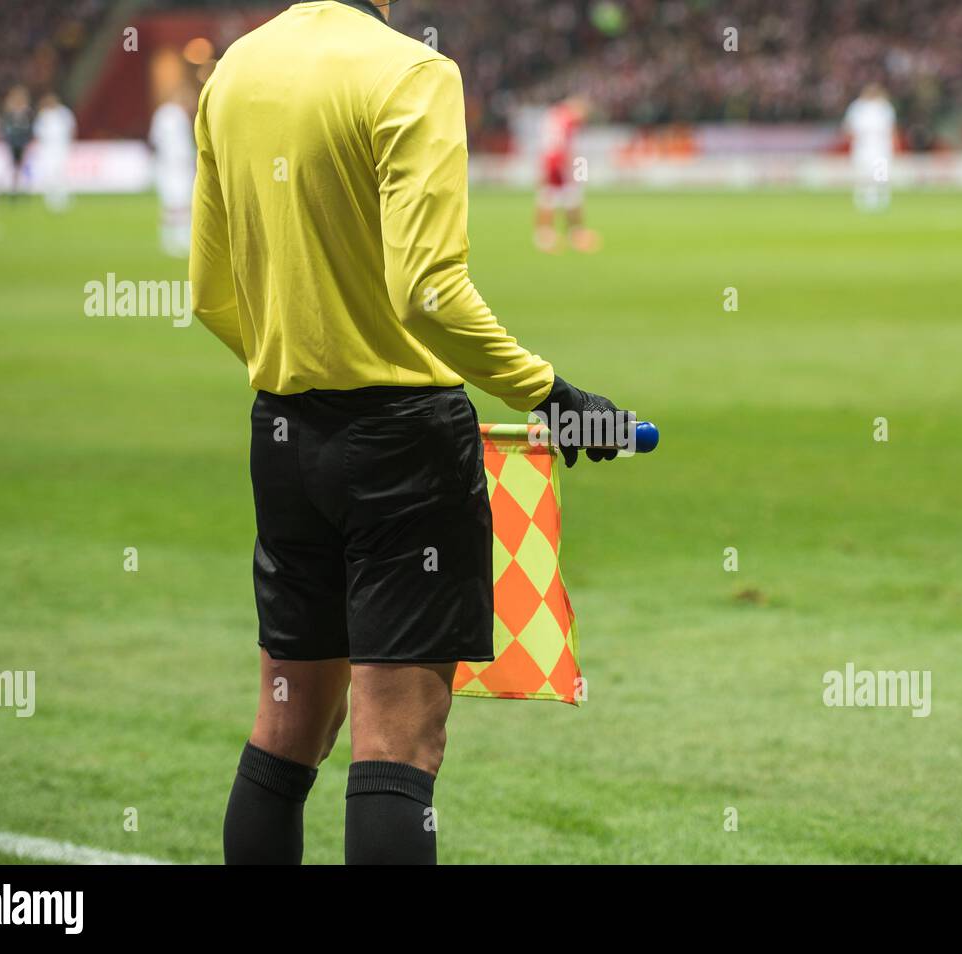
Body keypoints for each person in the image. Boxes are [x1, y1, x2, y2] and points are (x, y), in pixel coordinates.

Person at [190, 0, 632, 865]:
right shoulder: (412, 71)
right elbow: (427, 293)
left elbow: (210, 296)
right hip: (401, 446)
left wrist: (301, 360)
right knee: (397, 743)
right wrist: (550, 392)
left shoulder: (232, 71)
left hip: (283, 437)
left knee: (284, 730)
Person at [534, 95, 600, 252]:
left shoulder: (553, 115)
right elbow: (565, 145)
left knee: (550, 196)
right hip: (559, 160)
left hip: (551, 159)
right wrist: (573, 168)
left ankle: (547, 235)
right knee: (568, 196)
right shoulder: (567, 120)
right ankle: (573, 234)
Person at [149, 88, 196, 256]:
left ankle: (172, 238)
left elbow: (155, 140)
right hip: (176, 166)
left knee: (173, 204)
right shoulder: (177, 115)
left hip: (167, 165)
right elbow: (182, 144)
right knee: (180, 204)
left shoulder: (162, 114)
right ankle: (177, 239)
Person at [843, 83, 896, 212]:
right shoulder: (857, 107)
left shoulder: (884, 107)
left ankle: (881, 198)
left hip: (880, 144)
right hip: (863, 144)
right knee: (863, 172)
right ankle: (862, 197)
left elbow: (891, 128)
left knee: (880, 174)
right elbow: (849, 127)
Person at [33, 92, 76, 212]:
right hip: (47, 149)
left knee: (61, 172)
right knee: (49, 172)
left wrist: (70, 143)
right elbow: (38, 132)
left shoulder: (64, 113)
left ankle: (63, 198)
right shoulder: (44, 114)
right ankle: (51, 198)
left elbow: (72, 128)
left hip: (61, 147)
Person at [0, 85, 33, 199]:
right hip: (13, 142)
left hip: (22, 142)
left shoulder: (26, 112)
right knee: (12, 165)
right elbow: (6, 127)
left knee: (21, 165)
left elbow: (29, 128)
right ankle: (11, 188)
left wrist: (28, 139)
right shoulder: (10, 112)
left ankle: (20, 188)